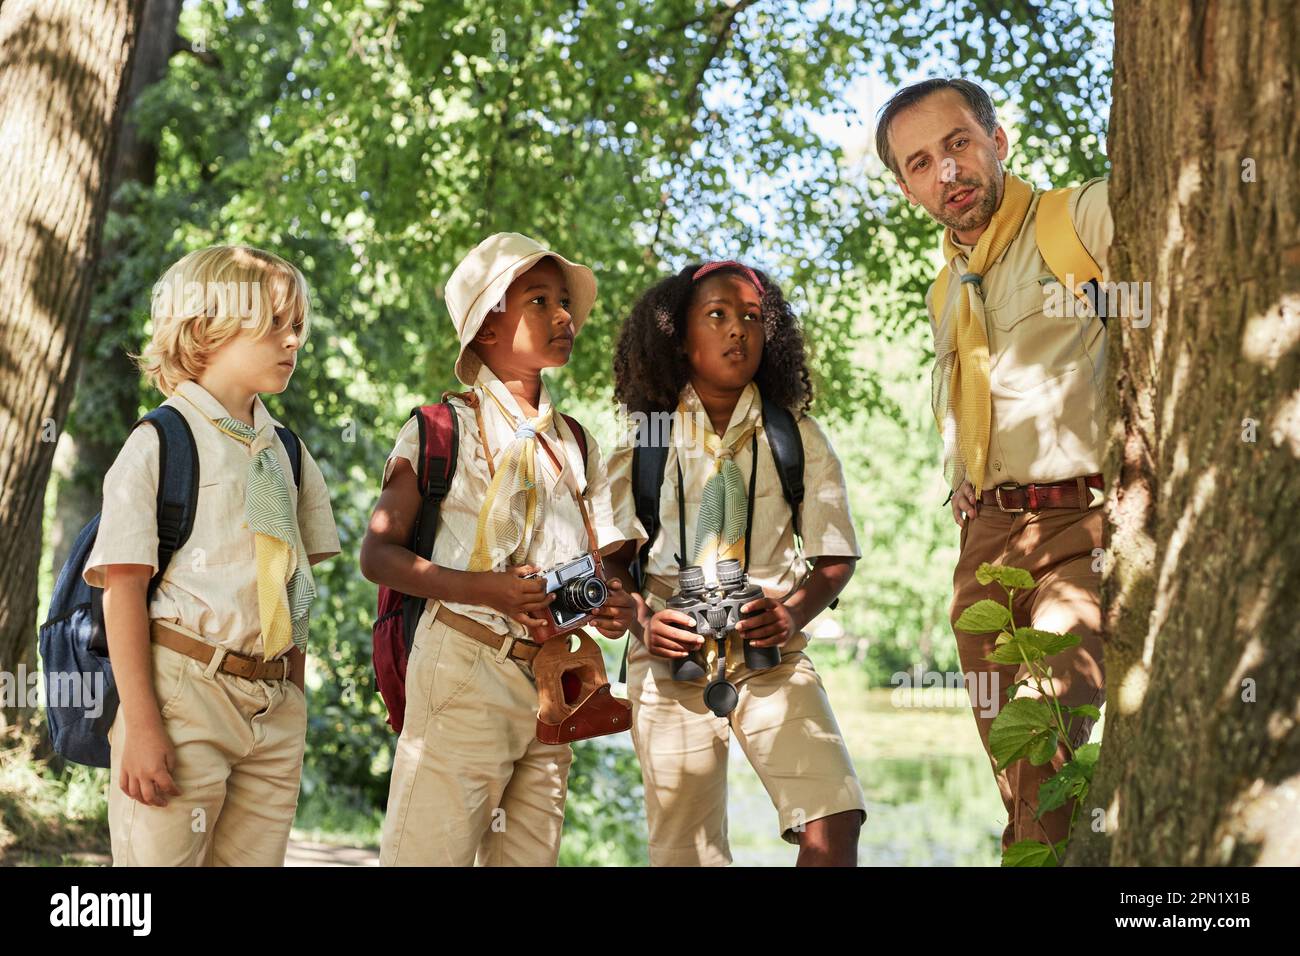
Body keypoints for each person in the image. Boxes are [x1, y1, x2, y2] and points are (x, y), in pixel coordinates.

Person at [876, 77, 1110, 850]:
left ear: (997, 141)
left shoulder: (1076, 219)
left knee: (1042, 726)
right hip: (988, 543)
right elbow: (968, 396)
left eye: (957, 144)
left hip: (1085, 523)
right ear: (906, 187)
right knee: (1011, 764)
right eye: (918, 164)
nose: (945, 172)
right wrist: (963, 486)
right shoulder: (948, 288)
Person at [361, 232, 644, 866]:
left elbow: (600, 563)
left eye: (564, 302)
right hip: (464, 662)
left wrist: (611, 605)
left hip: (552, 680)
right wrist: (483, 588)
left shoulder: (576, 442)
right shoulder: (440, 427)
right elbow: (377, 558)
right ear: (486, 329)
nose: (564, 316)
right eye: (538, 301)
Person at [605, 259, 865, 866]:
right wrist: (644, 622)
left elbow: (834, 558)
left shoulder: (796, 437)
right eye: (716, 316)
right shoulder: (647, 438)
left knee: (835, 817)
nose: (737, 330)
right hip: (671, 664)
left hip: (770, 658)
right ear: (680, 338)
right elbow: (612, 564)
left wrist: (793, 613)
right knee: (687, 854)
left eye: (751, 317)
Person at [87, 245, 340, 866]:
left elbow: (293, 583)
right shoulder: (159, 442)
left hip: (273, 704)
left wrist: (293, 699)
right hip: (182, 697)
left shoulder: (285, 449)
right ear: (206, 329)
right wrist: (143, 727)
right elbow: (121, 593)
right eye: (275, 325)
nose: (293, 342)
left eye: (298, 327)